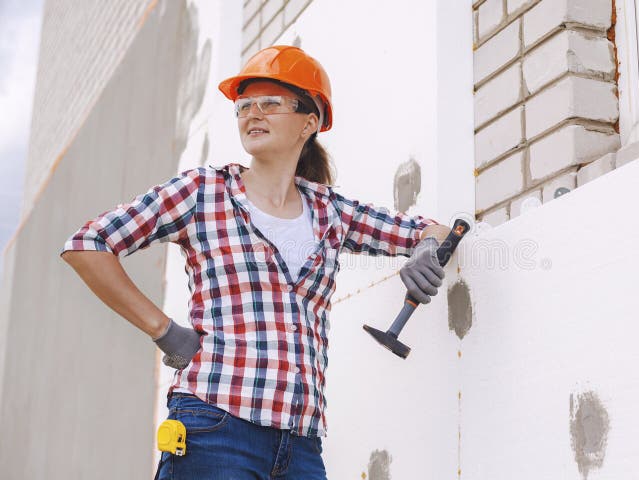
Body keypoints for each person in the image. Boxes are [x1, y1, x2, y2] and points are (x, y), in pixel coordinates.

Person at [59, 45, 451, 479]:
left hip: (301, 444)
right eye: (244, 106)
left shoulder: (330, 212)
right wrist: (164, 331)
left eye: (269, 104)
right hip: (215, 427)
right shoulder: (203, 193)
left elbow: (430, 230)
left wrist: (425, 249)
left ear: (310, 122)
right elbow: (88, 245)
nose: (252, 114)